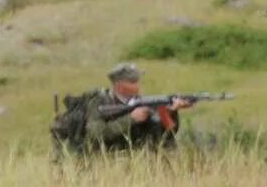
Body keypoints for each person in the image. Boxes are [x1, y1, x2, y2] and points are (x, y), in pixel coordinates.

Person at [56, 61, 192, 154]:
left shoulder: (140, 102)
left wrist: (171, 111)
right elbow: (96, 135)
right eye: (133, 82)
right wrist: (131, 119)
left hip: (136, 157)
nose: (138, 85)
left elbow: (165, 134)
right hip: (106, 159)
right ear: (119, 86)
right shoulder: (100, 102)